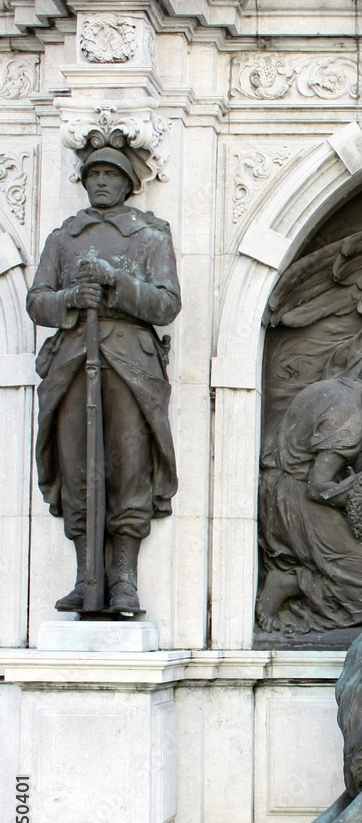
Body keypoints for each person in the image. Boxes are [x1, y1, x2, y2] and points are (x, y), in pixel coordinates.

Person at [28, 146, 181, 612]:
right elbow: (38, 301)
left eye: (109, 174)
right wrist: (73, 297)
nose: (100, 182)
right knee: (77, 467)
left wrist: (116, 281)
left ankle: (124, 581)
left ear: (128, 183)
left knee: (129, 466)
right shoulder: (63, 237)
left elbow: (167, 304)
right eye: (92, 173)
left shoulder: (151, 236)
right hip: (74, 358)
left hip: (130, 361)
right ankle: (85, 576)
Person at [256, 359, 362, 632]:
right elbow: (318, 488)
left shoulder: (329, 389)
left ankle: (293, 581)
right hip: (296, 501)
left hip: (277, 488)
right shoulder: (349, 416)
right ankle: (290, 584)